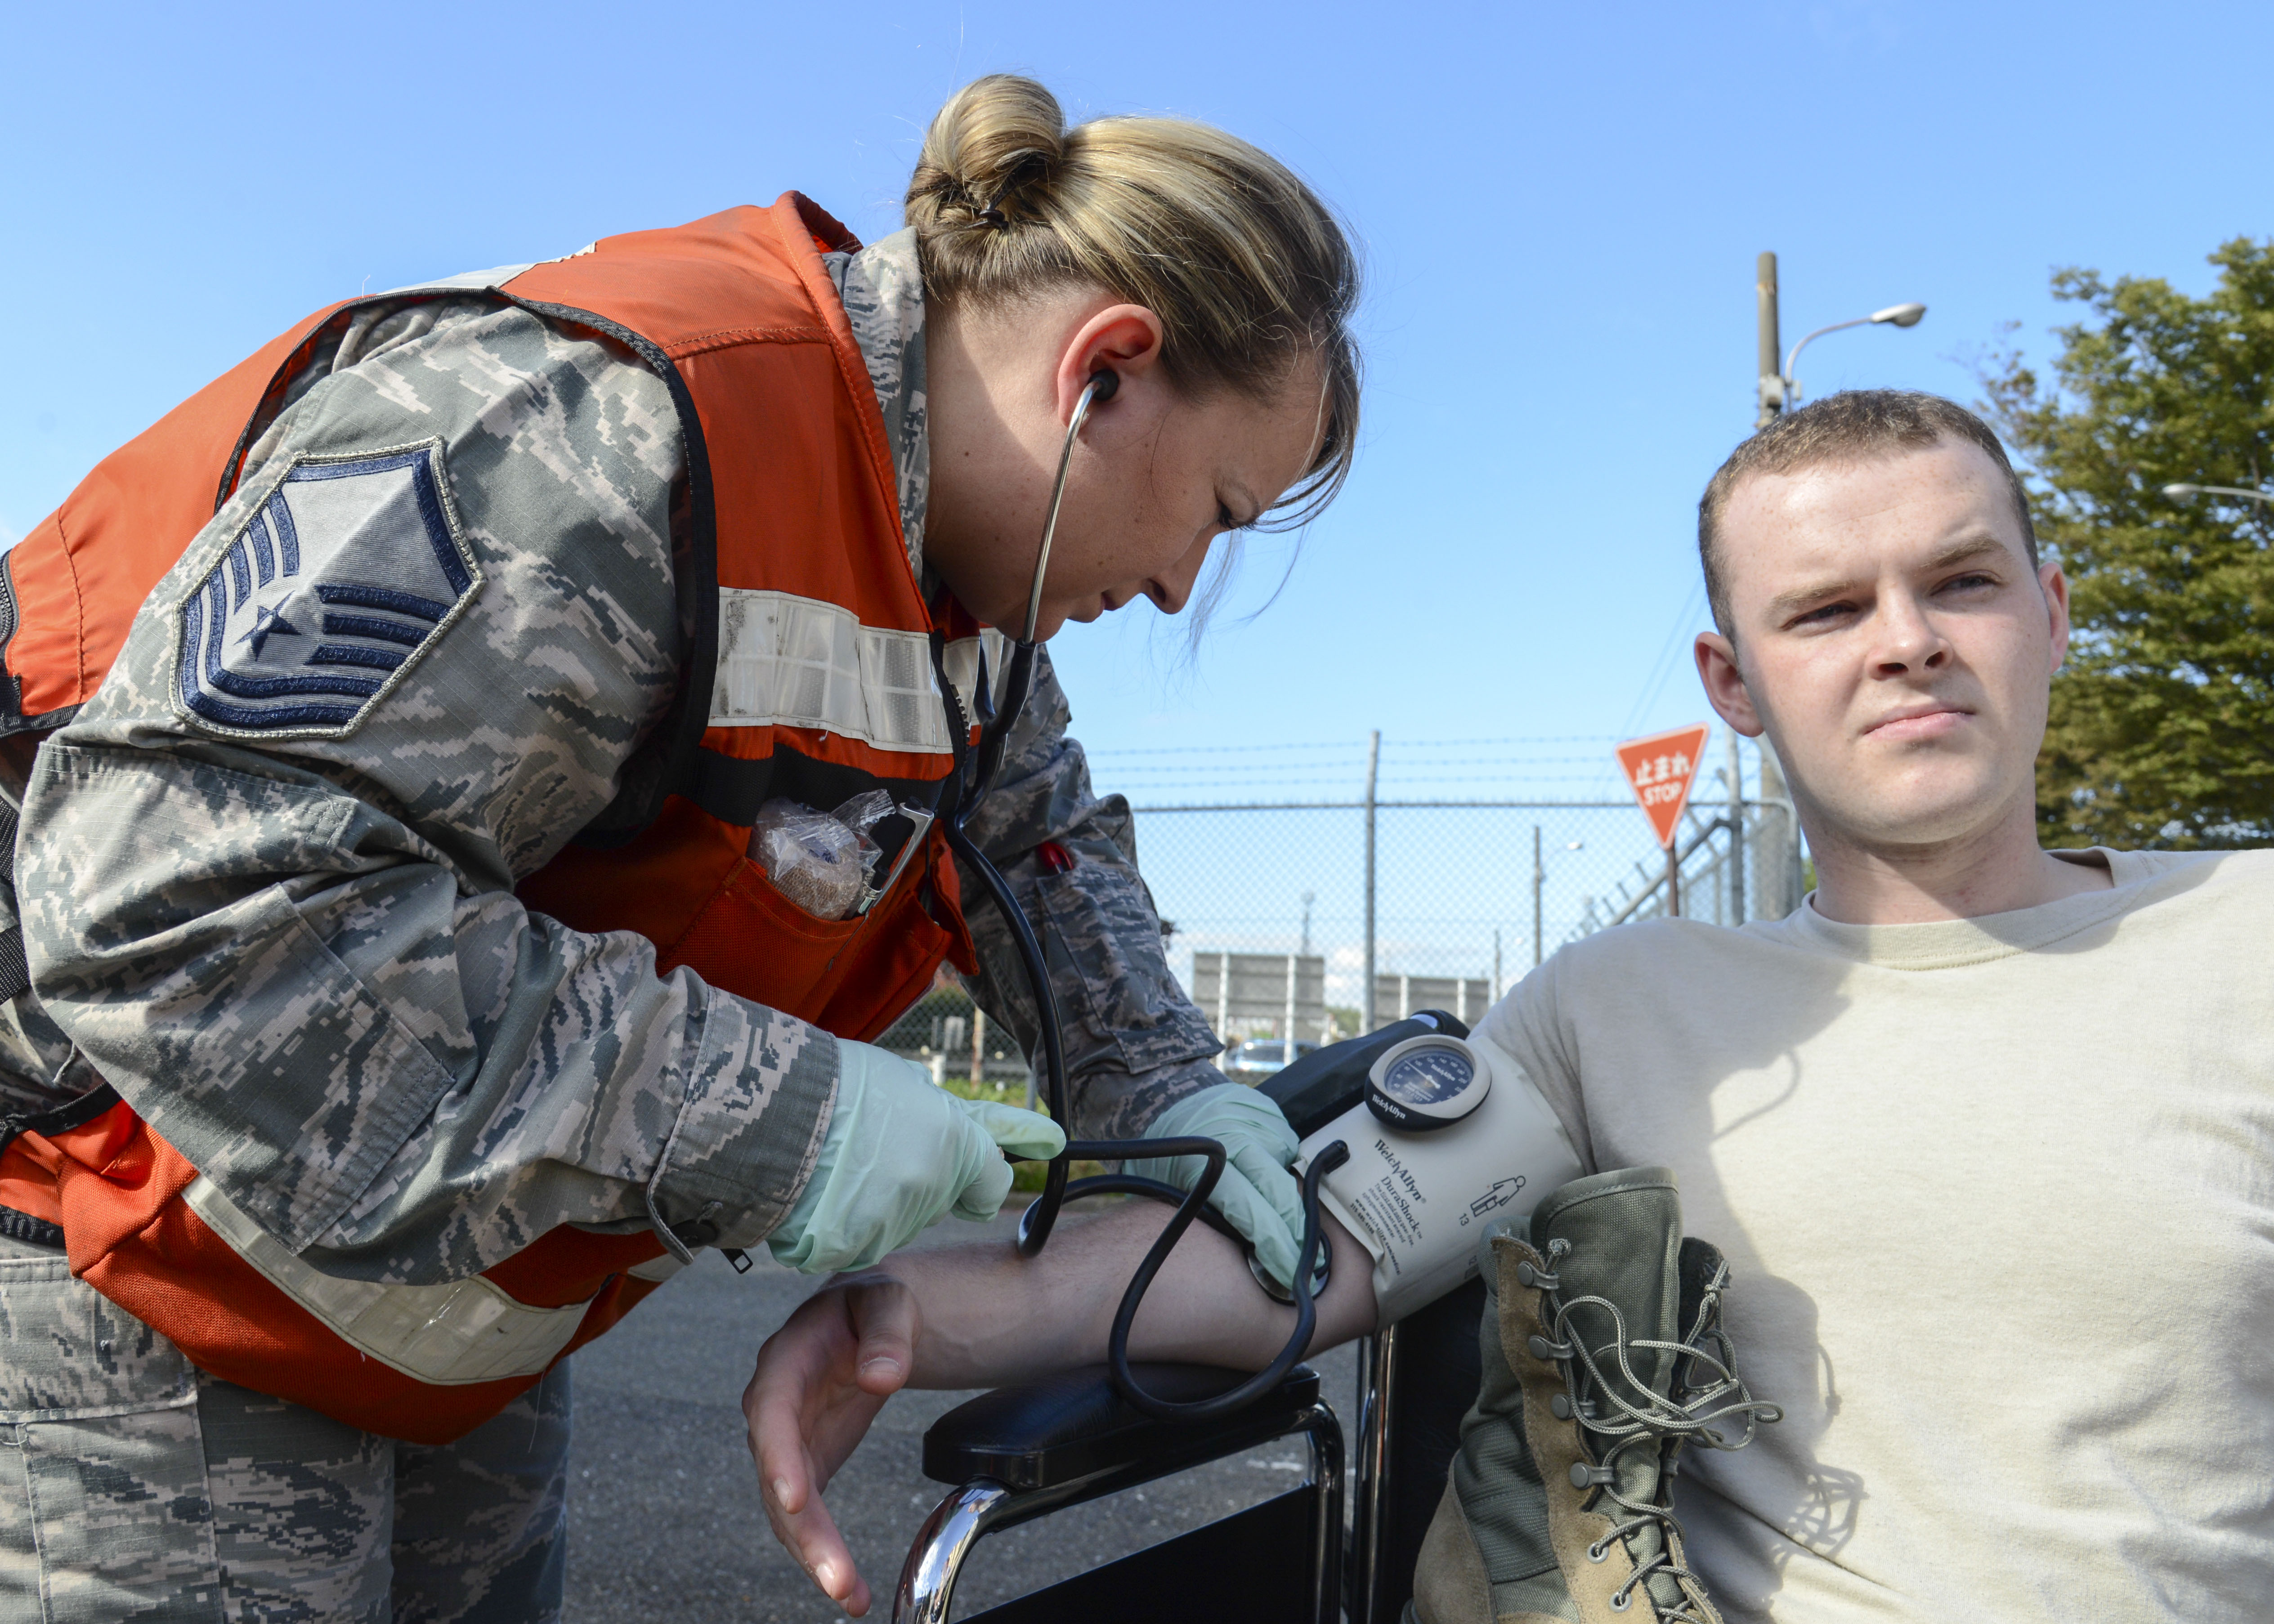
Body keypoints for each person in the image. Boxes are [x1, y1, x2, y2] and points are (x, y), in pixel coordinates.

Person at [0, 74, 1359, 1620]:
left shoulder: (971, 617)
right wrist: (776, 1122)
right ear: (1103, 370)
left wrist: (1169, 1085)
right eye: (1222, 509)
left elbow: (1038, 844)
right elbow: (177, 888)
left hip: (442, 1302)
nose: (1186, 586)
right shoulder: (598, 431)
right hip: (142, 1255)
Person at [750, 389, 2274, 1623]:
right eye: (1824, 611)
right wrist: (901, 1314)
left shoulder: (2245, 938)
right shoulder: (1625, 1007)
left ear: (2054, 610)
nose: (1907, 641)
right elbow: (1293, 1263)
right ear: (1730, 683)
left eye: (1962, 581)